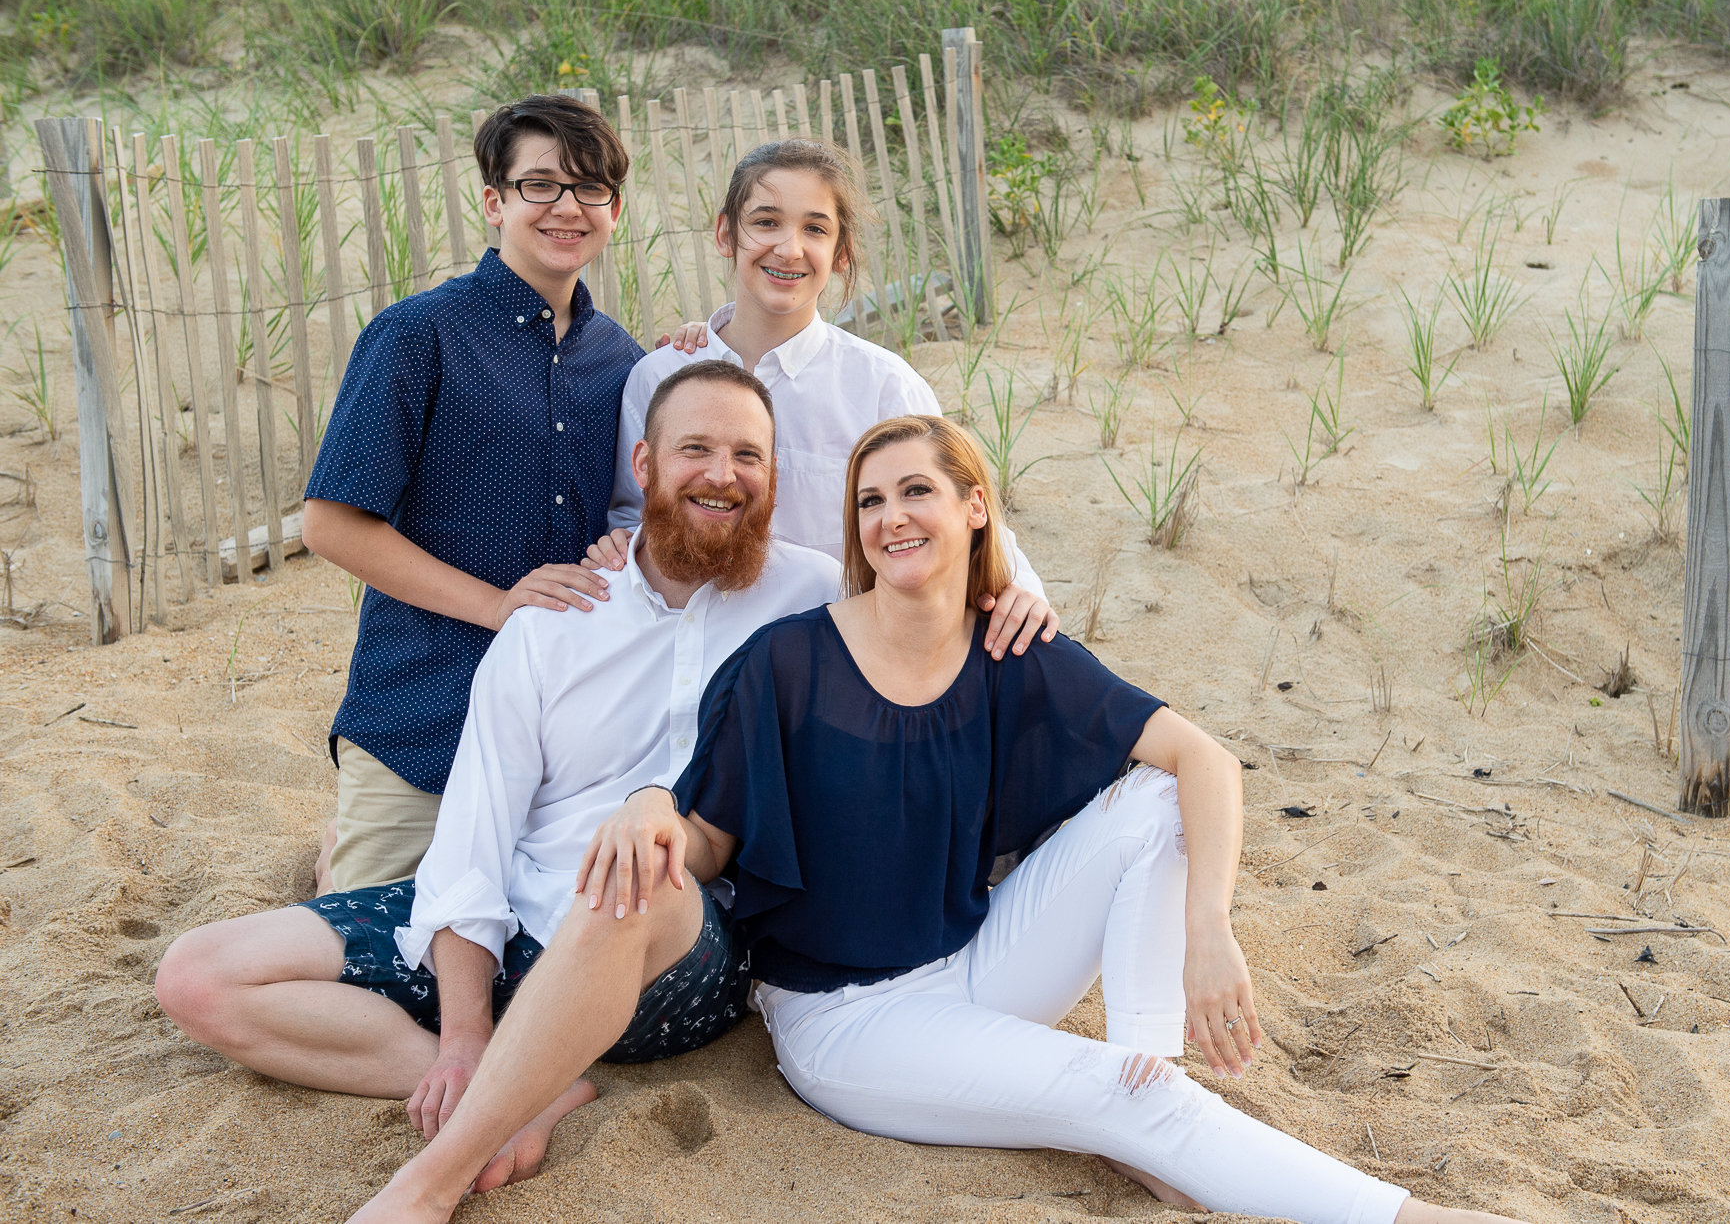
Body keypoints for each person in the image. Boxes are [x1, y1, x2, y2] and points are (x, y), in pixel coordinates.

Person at [344, 415, 1530, 1224]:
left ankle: (1146, 1068)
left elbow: (1202, 758)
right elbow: (704, 835)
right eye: (869, 499)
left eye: (917, 490)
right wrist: (652, 804)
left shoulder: (1009, 645)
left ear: (973, 506)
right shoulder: (789, 661)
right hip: (850, 1023)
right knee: (1136, 1104)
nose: (889, 516)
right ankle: (1401, 1211)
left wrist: (1209, 926)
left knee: (1156, 799)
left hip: (980, 961)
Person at [157, 362, 840, 1198]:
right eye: (696, 448)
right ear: (645, 465)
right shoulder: (555, 621)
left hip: (671, 955)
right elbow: (477, 830)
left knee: (636, 875)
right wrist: (463, 1032)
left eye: (749, 455)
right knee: (197, 975)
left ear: (774, 477)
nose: (723, 474)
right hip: (516, 920)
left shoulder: (816, 596)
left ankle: (427, 1183)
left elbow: (938, 585)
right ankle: (524, 1089)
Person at [302, 94, 646, 896]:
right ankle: (341, 847)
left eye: (589, 188)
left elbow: (636, 510)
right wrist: (498, 605)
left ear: (614, 211)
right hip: (426, 714)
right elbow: (331, 523)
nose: (567, 207)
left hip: (560, 728)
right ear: (494, 202)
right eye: (540, 185)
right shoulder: (418, 334)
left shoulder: (621, 360)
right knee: (364, 958)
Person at [591, 136, 1056, 662]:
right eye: (766, 222)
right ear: (726, 233)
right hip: (685, 656)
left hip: (841, 660)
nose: (789, 248)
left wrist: (1021, 589)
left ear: (841, 252)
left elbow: (947, 506)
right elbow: (634, 515)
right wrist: (620, 542)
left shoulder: (883, 385)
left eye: (815, 228)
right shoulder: (659, 376)